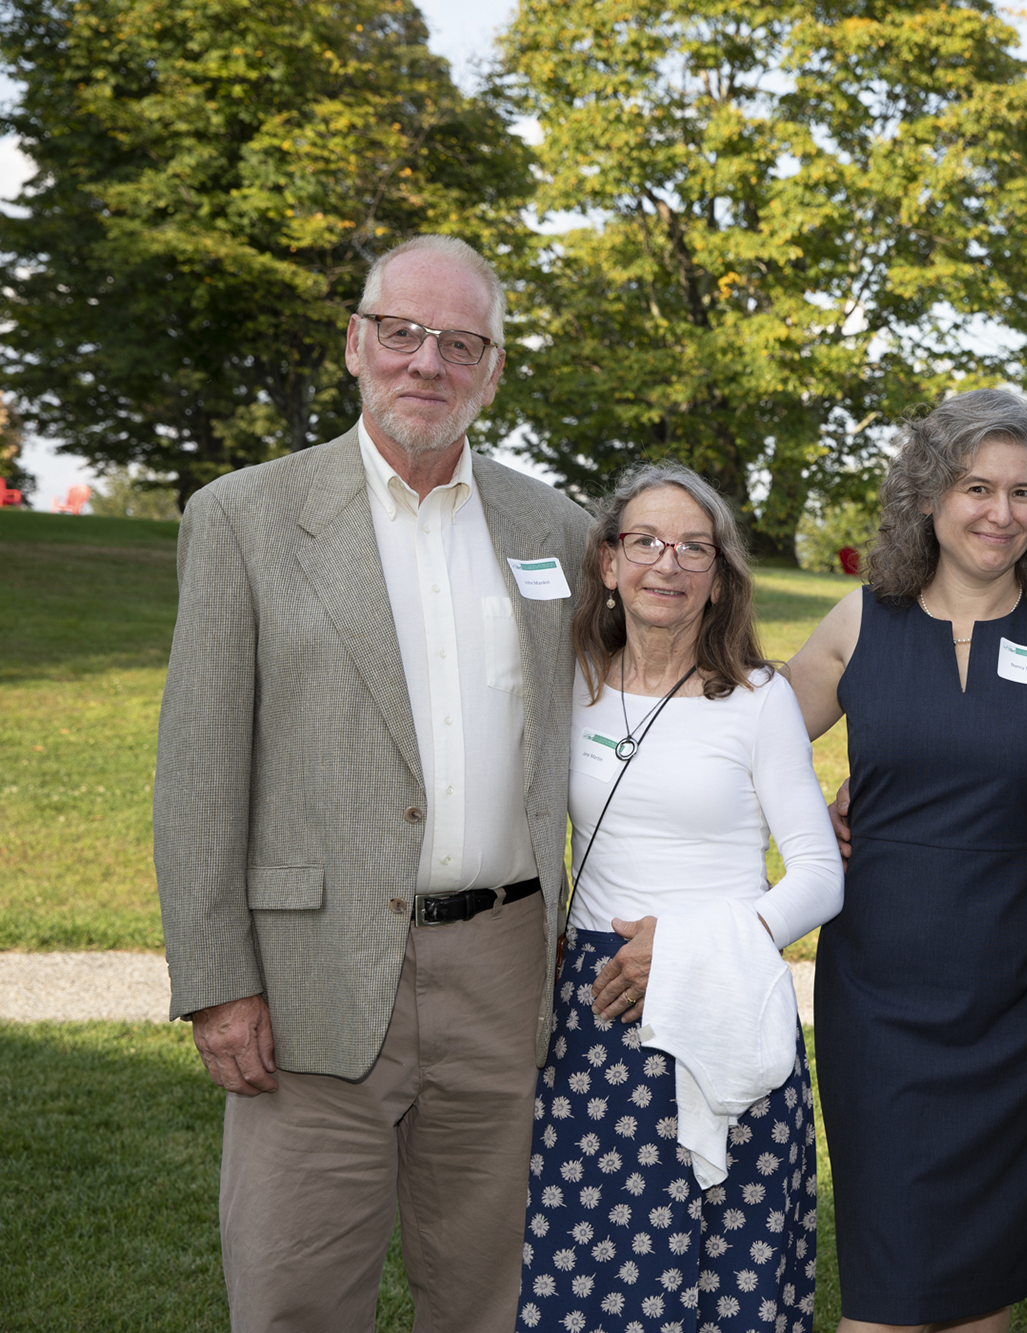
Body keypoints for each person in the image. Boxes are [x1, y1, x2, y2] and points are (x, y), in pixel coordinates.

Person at [154, 233, 593, 1330]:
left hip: (503, 967)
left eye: (459, 342)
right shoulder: (245, 518)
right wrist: (217, 980)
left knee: (488, 1294)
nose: (426, 362)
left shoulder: (559, 532)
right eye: (401, 332)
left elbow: (648, 699)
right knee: (296, 1290)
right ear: (355, 344)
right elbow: (198, 767)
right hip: (310, 975)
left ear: (492, 371)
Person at [785, 389, 1027, 1333]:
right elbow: (739, 753)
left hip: (1016, 1007)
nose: (1001, 513)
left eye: (1023, 493)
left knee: (982, 1293)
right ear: (927, 495)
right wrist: (810, 821)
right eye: (975, 487)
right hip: (877, 1001)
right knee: (886, 1295)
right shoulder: (858, 622)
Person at [518, 461, 842, 1333]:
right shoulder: (569, 681)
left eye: (695, 546)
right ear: (608, 564)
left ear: (720, 575)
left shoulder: (756, 699)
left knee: (718, 1268)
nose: (669, 563)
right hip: (597, 1009)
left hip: (720, 999)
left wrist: (689, 942)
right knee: (585, 1267)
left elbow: (819, 875)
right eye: (646, 541)